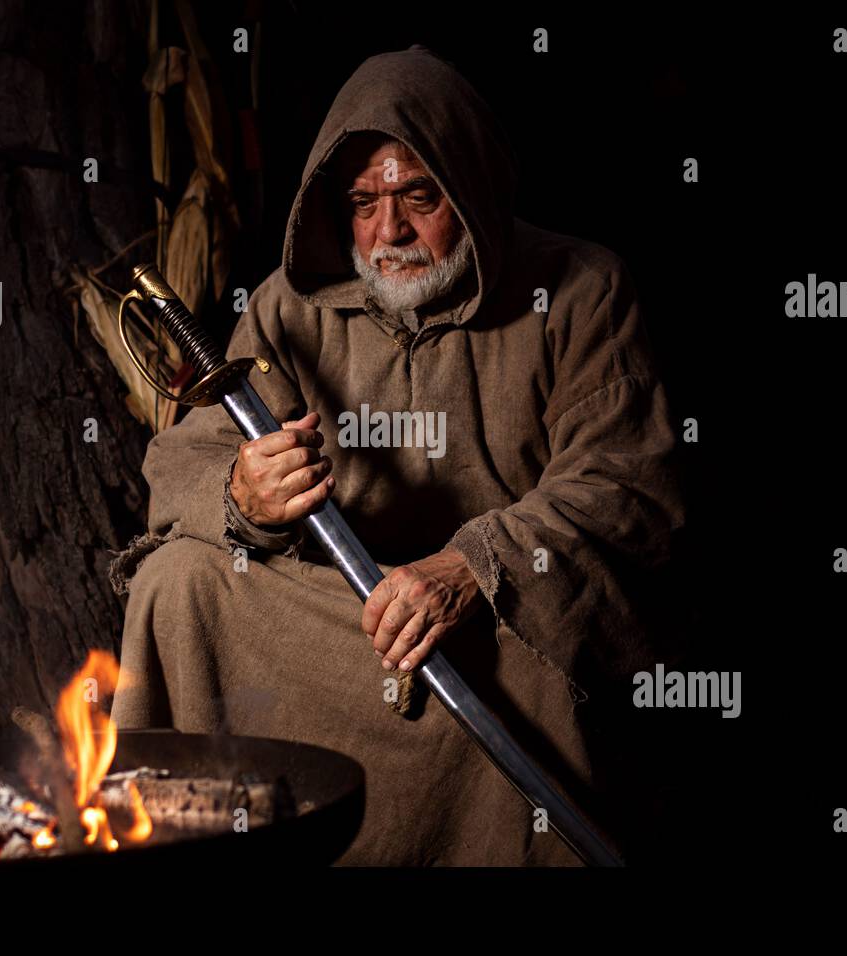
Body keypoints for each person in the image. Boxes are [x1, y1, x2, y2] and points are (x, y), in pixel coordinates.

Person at [109, 46, 684, 865]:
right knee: (178, 583)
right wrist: (245, 492)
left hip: (489, 620)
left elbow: (626, 485)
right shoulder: (285, 306)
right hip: (340, 618)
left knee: (544, 648)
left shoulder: (581, 291)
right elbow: (183, 463)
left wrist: (469, 566)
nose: (390, 231)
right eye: (363, 203)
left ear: (473, 184)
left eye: (420, 194)